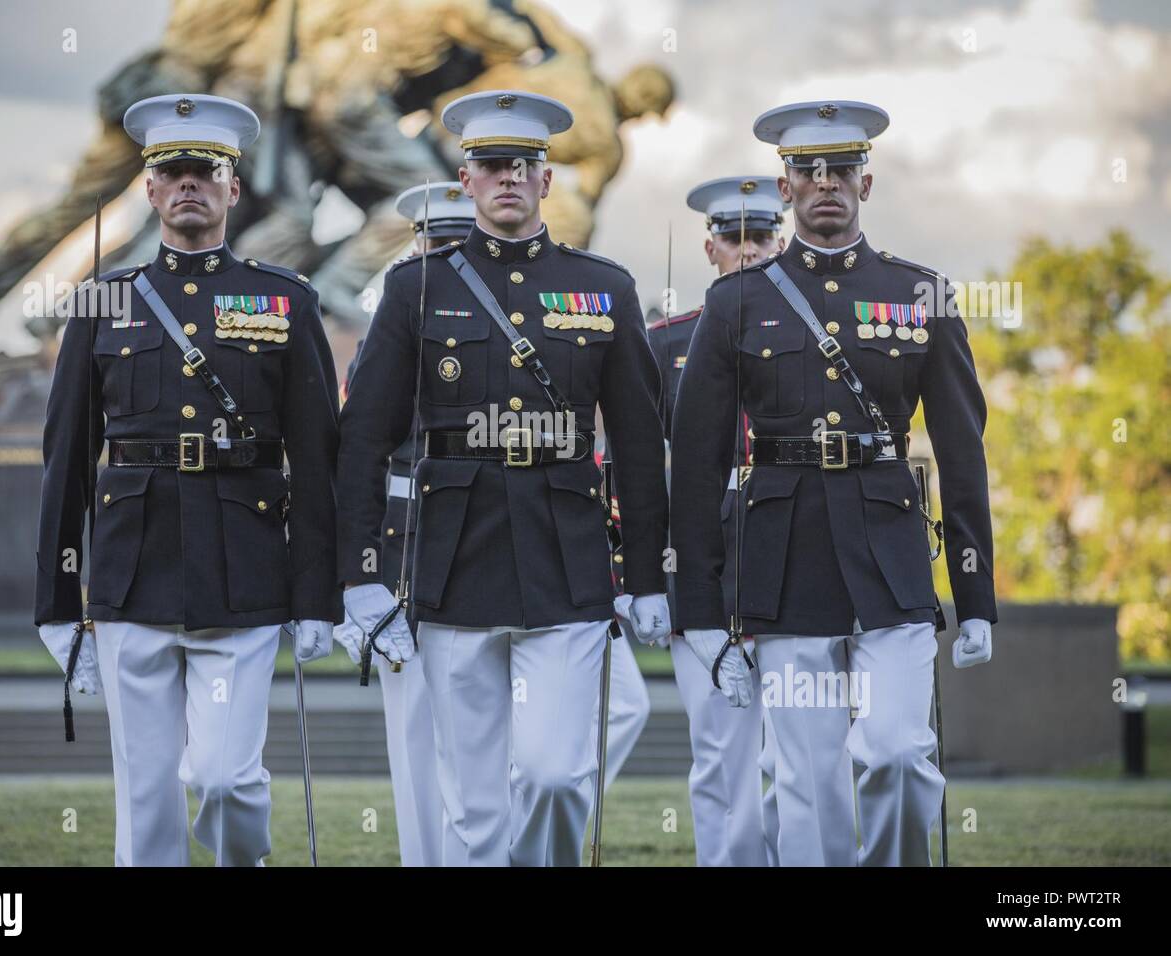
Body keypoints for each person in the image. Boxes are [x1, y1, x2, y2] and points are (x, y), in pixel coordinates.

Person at [337, 90, 670, 866]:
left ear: (546, 181)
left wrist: (649, 576)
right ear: (468, 180)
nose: (508, 177)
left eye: (524, 165)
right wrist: (359, 573)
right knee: (473, 804)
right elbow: (365, 438)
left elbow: (636, 443)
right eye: (492, 165)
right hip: (456, 558)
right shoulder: (417, 288)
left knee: (556, 775)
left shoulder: (604, 288)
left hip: (569, 556)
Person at [671, 101, 995, 867]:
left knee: (896, 754)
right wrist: (701, 602)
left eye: (840, 171)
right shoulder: (735, 303)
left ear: (866, 183)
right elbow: (697, 464)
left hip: (891, 553)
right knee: (808, 780)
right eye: (807, 172)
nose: (825, 184)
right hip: (784, 562)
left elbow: (962, 452)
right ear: (783, 190)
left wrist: (976, 593)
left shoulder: (923, 296)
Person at [34, 93, 342, 866]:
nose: (188, 185)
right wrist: (55, 602)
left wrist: (317, 596)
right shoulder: (102, 304)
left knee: (226, 778)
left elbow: (316, 463)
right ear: (149, 188)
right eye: (172, 172)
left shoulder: (285, 301)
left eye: (206, 171)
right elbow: (68, 459)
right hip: (132, 575)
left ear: (234, 188)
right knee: (146, 800)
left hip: (243, 574)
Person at [335, 180, 476, 867]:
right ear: (417, 244)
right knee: (417, 735)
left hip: (484, 535)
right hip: (406, 536)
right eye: (436, 241)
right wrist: (355, 578)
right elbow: (360, 441)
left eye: (458, 241)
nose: (445, 254)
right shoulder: (395, 315)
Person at [647, 176, 786, 866]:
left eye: (761, 237)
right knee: (721, 752)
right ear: (709, 248)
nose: (750, 251)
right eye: (734, 238)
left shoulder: (813, 334)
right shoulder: (664, 342)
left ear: (780, 241)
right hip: (705, 558)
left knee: (803, 751)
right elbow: (635, 467)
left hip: (798, 547)